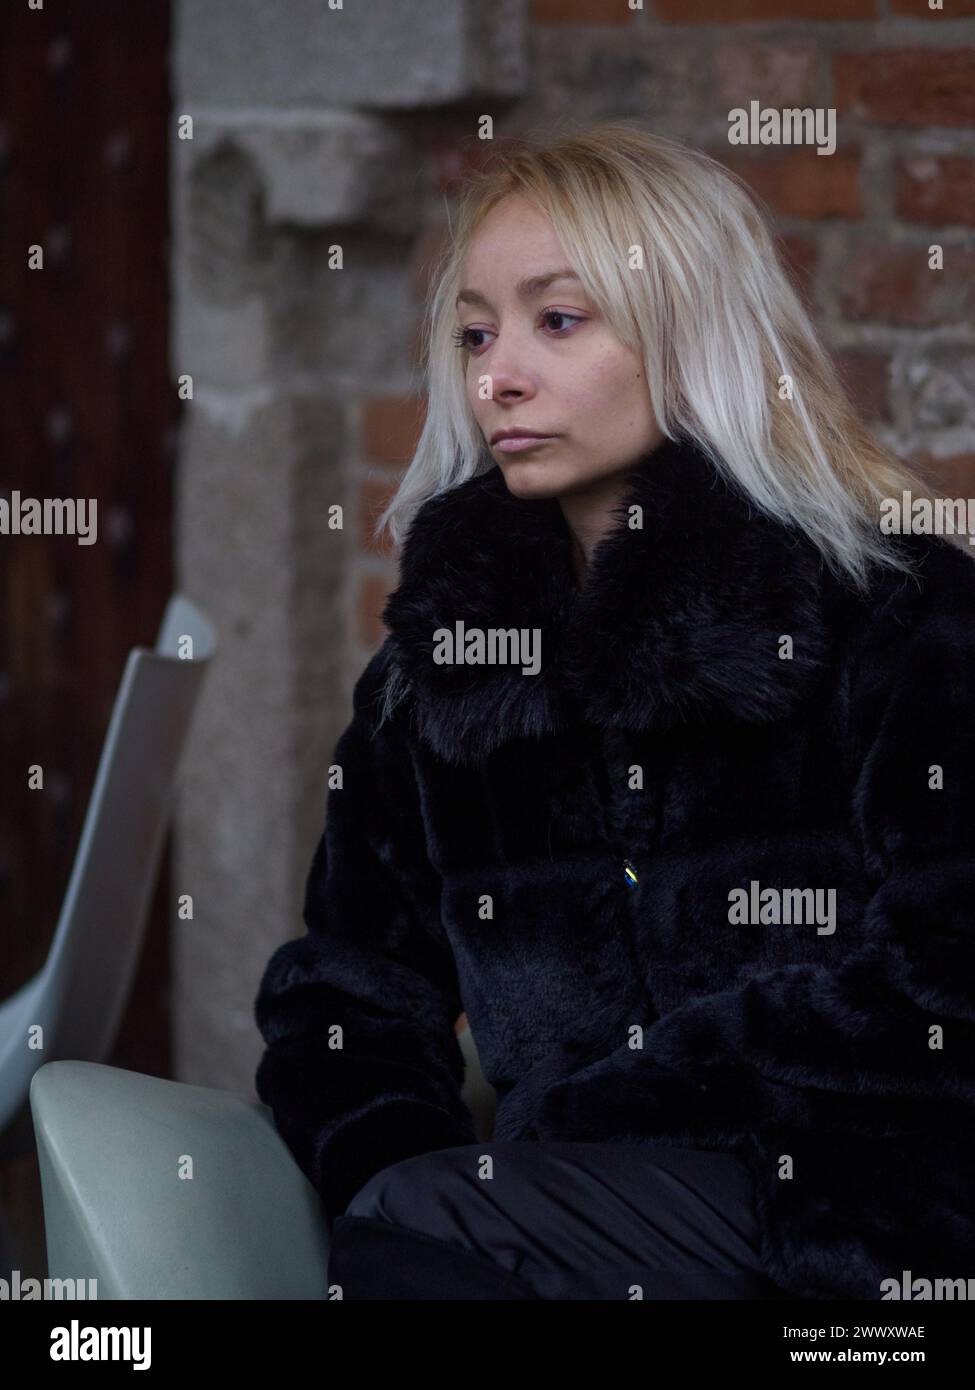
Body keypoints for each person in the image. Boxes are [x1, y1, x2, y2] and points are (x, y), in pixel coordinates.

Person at [253, 123, 975, 1301]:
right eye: (477, 331)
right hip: (542, 1239)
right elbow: (345, 996)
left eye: (560, 318)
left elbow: (947, 972)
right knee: (422, 1220)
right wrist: (397, 1163)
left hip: (860, 1231)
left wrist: (604, 1111)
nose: (499, 374)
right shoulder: (436, 683)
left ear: (689, 334)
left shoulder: (895, 615)